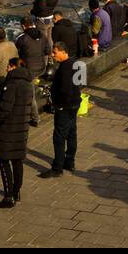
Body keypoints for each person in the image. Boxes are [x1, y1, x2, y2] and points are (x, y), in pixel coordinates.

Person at [0, 58, 32, 208]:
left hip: (8, 129)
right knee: (17, 160)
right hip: (21, 128)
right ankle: (16, 192)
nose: (6, 69)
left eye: (8, 66)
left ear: (14, 67)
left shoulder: (11, 84)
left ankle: (8, 197)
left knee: (3, 160)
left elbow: (4, 108)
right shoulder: (28, 84)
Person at [40, 41, 82, 177]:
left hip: (65, 107)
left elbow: (64, 90)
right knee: (71, 133)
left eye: (55, 52)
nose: (53, 55)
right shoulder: (75, 63)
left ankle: (57, 167)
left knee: (59, 137)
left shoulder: (65, 68)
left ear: (64, 52)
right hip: (75, 104)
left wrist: (57, 104)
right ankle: (70, 161)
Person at [15, 16, 47, 126]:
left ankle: (35, 118)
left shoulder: (22, 38)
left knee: (30, 95)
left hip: (29, 70)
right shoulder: (42, 35)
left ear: (23, 26)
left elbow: (16, 53)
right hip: (42, 68)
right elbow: (47, 50)